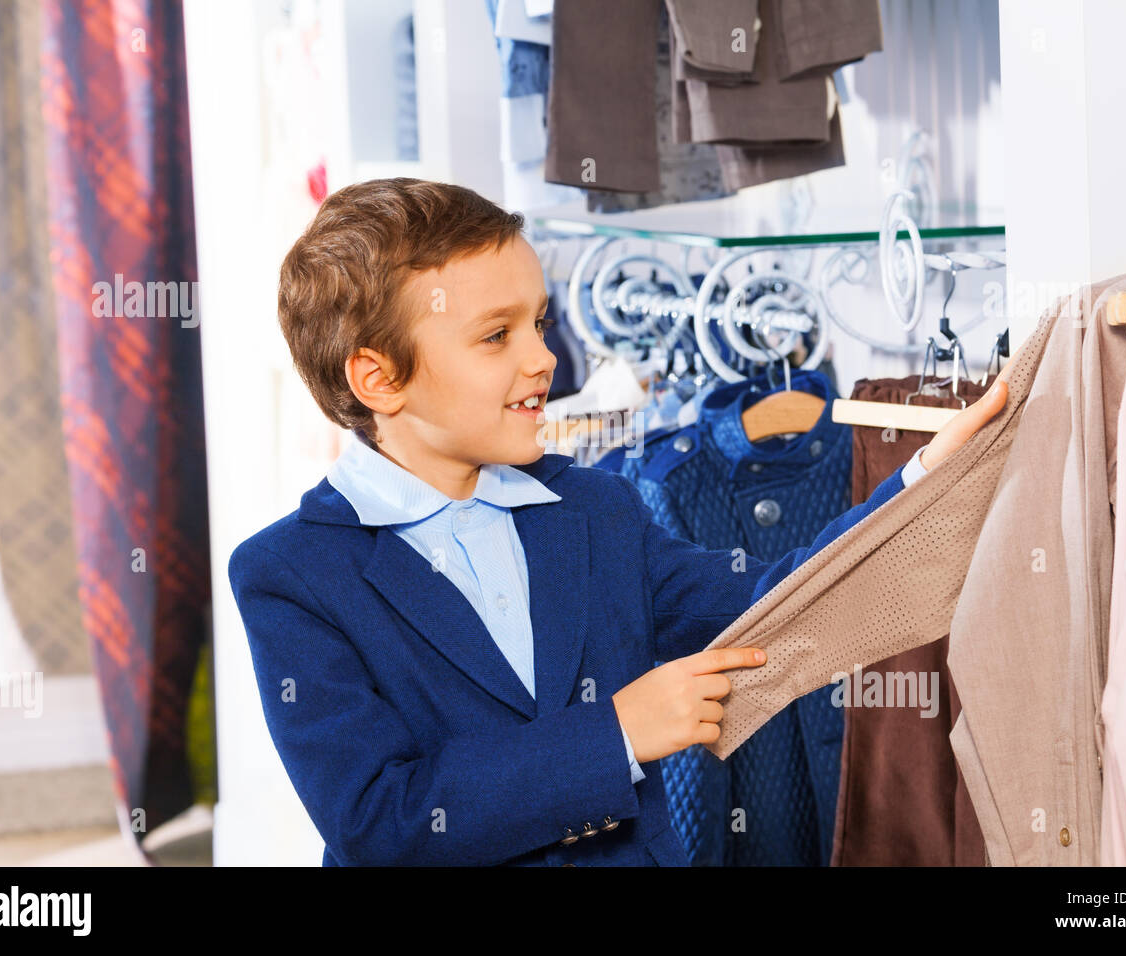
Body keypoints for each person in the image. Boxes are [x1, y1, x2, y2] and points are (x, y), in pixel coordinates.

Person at [227, 178, 1009, 866]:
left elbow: (774, 605)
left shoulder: (595, 509)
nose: (544, 360)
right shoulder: (291, 575)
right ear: (379, 377)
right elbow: (379, 820)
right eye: (498, 336)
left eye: (539, 323)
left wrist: (921, 481)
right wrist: (617, 734)